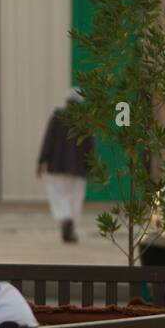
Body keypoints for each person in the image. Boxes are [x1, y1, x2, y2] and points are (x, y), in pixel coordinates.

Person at [37, 88, 94, 243]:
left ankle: (65, 219)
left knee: (58, 196)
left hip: (56, 167)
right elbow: (90, 147)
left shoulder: (57, 117)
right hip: (78, 169)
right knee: (75, 199)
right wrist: (92, 168)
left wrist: (41, 161)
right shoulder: (85, 120)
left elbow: (48, 140)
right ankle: (71, 228)